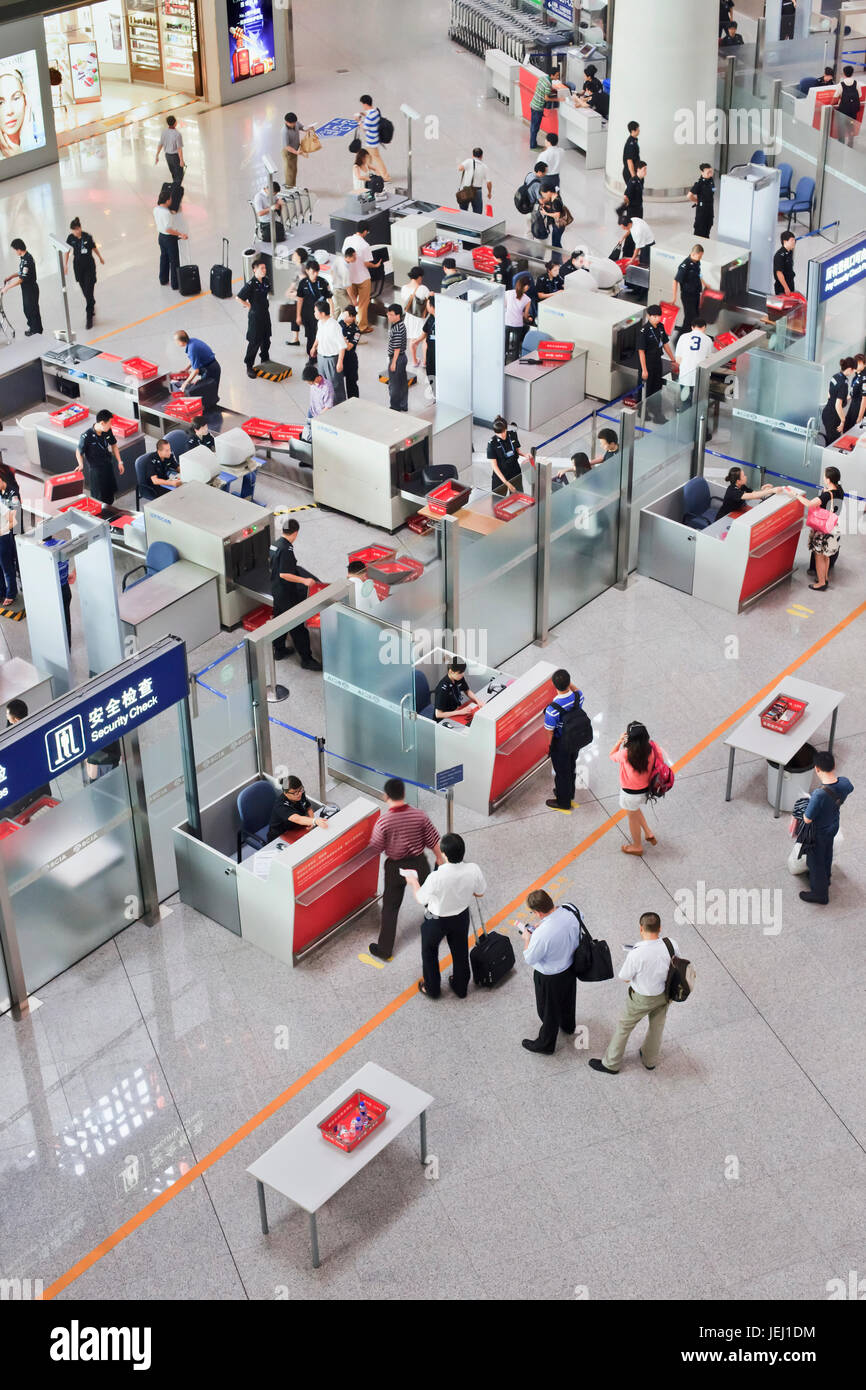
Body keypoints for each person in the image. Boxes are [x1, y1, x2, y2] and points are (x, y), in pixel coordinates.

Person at [368, 777, 444, 961]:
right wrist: (440, 857)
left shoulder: (383, 822)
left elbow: (376, 847)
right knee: (431, 898)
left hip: (395, 867)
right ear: (404, 794)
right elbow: (433, 840)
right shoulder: (419, 815)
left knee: (390, 907)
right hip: (418, 862)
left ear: (386, 796)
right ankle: (442, 928)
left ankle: (385, 949)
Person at [589, 912, 676, 1073]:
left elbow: (624, 977)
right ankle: (650, 1060)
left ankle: (611, 1064)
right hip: (665, 994)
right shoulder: (671, 943)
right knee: (657, 1027)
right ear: (660, 928)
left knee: (624, 1027)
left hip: (641, 998)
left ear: (641, 928)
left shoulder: (636, 953)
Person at [407, 833, 486, 999]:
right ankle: (460, 986)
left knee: (429, 951)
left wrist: (414, 882)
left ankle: (432, 988)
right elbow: (480, 893)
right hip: (461, 916)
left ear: (444, 854)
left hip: (436, 920)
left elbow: (421, 898)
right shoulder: (473, 869)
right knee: (460, 951)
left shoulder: (436, 877)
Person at [519, 890, 581, 1054]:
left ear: (537, 912)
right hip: (570, 967)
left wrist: (527, 939)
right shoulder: (571, 910)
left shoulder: (542, 934)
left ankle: (546, 1044)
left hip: (550, 976)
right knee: (568, 999)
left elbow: (530, 958)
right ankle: (568, 1026)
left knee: (548, 1009)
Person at [798, 750, 853, 904]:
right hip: (833, 825)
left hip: (819, 832)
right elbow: (848, 788)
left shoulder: (818, 795)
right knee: (827, 852)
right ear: (834, 765)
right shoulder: (845, 783)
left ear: (817, 769)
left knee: (815, 861)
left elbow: (807, 819)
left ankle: (819, 894)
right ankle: (825, 878)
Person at [270, 518, 322, 671]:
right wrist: (304, 581)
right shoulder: (286, 549)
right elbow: (284, 574)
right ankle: (306, 659)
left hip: (276, 590)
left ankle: (279, 650)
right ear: (296, 533)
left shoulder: (275, 544)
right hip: (287, 593)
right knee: (298, 627)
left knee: (279, 620)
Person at [610, 722, 670, 854]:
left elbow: (612, 755)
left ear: (629, 737)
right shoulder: (652, 748)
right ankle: (648, 832)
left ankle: (637, 846)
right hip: (646, 790)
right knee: (635, 809)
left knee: (632, 817)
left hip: (629, 793)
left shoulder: (626, 753)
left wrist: (619, 741)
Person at [544, 668, 585, 812]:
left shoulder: (552, 709)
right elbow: (576, 689)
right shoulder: (578, 697)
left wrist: (551, 746)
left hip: (561, 744)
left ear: (555, 686)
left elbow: (549, 731)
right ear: (569, 683)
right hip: (576, 739)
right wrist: (567, 683)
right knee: (571, 766)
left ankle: (563, 802)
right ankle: (569, 793)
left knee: (561, 773)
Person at [805, 465, 844, 592]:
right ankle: (825, 578)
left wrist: (796, 495)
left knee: (819, 555)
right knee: (826, 556)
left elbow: (810, 504)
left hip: (822, 530)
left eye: (824, 475)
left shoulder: (827, 494)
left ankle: (821, 583)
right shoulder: (839, 491)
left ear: (828, 480)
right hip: (833, 528)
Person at [638, 305, 677, 422]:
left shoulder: (660, 327)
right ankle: (642, 411)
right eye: (654, 317)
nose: (657, 319)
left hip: (657, 361)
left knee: (657, 387)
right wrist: (644, 370)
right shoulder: (644, 331)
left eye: (659, 316)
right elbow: (641, 352)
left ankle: (657, 413)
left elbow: (665, 343)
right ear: (649, 316)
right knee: (646, 388)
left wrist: (672, 359)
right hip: (647, 362)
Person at [76, 409, 124, 505]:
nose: (111, 425)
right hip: (96, 471)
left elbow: (114, 445)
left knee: (110, 495)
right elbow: (78, 451)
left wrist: (119, 462)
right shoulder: (86, 436)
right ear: (102, 423)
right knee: (99, 498)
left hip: (108, 466)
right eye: (110, 423)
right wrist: (80, 464)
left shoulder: (107, 431)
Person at [64, 218, 104, 330]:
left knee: (89, 290)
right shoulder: (70, 238)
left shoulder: (87, 237)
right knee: (85, 291)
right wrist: (65, 265)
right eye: (74, 230)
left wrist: (100, 257)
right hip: (78, 267)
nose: (76, 231)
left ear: (80, 228)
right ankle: (91, 302)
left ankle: (89, 317)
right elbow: (67, 251)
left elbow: (94, 247)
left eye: (78, 229)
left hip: (89, 267)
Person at [236, 256, 272, 378]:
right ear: (254, 270)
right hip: (255, 316)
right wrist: (248, 305)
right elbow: (239, 297)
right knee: (254, 341)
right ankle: (249, 365)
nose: (264, 270)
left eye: (265, 268)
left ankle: (265, 359)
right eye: (261, 268)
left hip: (265, 314)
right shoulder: (250, 284)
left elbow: (266, 293)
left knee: (266, 338)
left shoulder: (266, 281)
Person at [267, 776, 328, 843]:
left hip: (297, 827)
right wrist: (314, 821)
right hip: (280, 836)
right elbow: (297, 818)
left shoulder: (300, 793)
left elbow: (308, 807)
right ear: (285, 792)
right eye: (295, 792)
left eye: (301, 789)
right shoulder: (280, 806)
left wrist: (312, 820)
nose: (299, 794)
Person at [310, 300, 347, 405]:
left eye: (315, 311)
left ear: (322, 313)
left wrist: (340, 362)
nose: (314, 313)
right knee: (323, 382)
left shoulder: (334, 326)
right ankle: (326, 403)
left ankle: (339, 405)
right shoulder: (320, 322)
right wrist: (314, 347)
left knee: (335, 384)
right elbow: (318, 336)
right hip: (321, 357)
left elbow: (342, 346)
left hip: (332, 359)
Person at [343, 228, 378, 333]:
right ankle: (362, 326)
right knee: (363, 303)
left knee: (352, 303)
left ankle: (351, 323)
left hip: (351, 277)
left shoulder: (347, 239)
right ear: (365, 231)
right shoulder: (365, 245)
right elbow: (367, 263)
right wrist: (375, 265)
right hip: (363, 277)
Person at [173, 330, 221, 408]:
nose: (176, 343)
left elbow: (196, 370)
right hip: (211, 366)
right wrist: (186, 369)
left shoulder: (192, 349)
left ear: (181, 342)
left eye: (176, 341)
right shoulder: (192, 341)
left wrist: (186, 383)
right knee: (208, 391)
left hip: (211, 370)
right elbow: (194, 359)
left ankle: (210, 409)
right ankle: (209, 406)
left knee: (208, 392)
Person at [153, 187, 187, 292]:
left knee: (164, 258)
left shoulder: (156, 209)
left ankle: (163, 279)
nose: (171, 200)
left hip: (161, 237)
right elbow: (168, 229)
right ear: (167, 200)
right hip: (169, 239)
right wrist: (181, 234)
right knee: (174, 261)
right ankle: (175, 283)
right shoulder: (166, 213)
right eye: (170, 199)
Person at [4, 238, 41, 335]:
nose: (15, 252)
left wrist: (7, 287)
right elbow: (21, 273)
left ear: (19, 249)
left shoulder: (27, 260)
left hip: (30, 289)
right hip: (27, 289)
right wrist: (11, 276)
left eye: (15, 250)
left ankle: (35, 330)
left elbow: (21, 279)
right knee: (30, 309)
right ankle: (36, 328)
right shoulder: (24, 258)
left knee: (30, 310)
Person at [674, 316, 714, 406]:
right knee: (698, 402)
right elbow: (708, 360)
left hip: (685, 374)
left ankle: (686, 418)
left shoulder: (683, 337)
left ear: (692, 327)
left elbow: (678, 359)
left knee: (686, 401)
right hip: (700, 375)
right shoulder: (708, 340)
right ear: (704, 327)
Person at [296, 258, 332, 357]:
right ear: (307, 271)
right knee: (310, 337)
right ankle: (311, 357)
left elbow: (330, 299)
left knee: (322, 335)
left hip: (322, 315)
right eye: (313, 272)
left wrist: (331, 315)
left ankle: (322, 355)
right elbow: (300, 300)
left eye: (317, 271)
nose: (315, 274)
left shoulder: (323, 282)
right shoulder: (303, 283)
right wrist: (298, 315)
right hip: (307, 314)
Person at [487, 417, 532, 495]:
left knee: (517, 497)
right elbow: (494, 466)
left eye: (503, 432)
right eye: (498, 433)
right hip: (500, 475)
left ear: (506, 429)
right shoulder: (492, 444)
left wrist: (524, 455)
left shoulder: (513, 434)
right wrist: (506, 483)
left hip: (515, 470)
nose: (501, 435)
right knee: (497, 501)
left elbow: (517, 450)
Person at [433, 656, 482, 721]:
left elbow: (467, 691)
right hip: (445, 719)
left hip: (457, 710)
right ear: (451, 672)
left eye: (463, 672)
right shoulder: (442, 689)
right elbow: (438, 714)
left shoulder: (458, 678)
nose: (463, 674)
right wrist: (460, 712)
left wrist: (478, 701)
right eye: (460, 673)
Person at [529, 64, 565, 150]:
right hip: (538, 108)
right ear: (552, 75)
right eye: (557, 75)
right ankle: (533, 146)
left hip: (533, 104)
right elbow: (547, 98)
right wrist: (558, 99)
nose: (558, 76)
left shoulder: (542, 78)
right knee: (535, 128)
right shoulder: (548, 84)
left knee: (533, 126)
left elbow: (539, 87)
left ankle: (533, 144)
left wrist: (550, 89)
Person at [400, 266, 429, 367]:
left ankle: (415, 361)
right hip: (421, 318)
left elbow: (405, 301)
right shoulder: (423, 288)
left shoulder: (404, 288)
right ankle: (425, 362)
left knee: (412, 339)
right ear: (419, 277)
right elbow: (429, 302)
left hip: (410, 318)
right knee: (425, 340)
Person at [0, 464, 20, 609]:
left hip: (10, 532)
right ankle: (2, 591)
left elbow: (15, 519)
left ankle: (11, 593)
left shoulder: (12, 493)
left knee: (9, 565)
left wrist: (2, 531)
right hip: (5, 530)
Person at [821, 358, 856, 442]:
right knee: (833, 443)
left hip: (826, 413)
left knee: (830, 439)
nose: (853, 372)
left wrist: (848, 397)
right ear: (849, 369)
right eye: (853, 370)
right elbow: (838, 405)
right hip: (833, 417)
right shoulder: (843, 384)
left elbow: (830, 395)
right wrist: (843, 421)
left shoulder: (835, 376)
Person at [672, 245, 704, 334]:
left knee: (696, 316)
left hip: (696, 294)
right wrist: (674, 298)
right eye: (700, 256)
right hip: (688, 295)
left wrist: (705, 283)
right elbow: (675, 281)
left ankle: (692, 335)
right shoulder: (684, 266)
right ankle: (679, 339)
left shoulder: (697, 262)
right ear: (693, 254)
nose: (701, 258)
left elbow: (699, 274)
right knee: (690, 318)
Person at [356, 95, 388, 180]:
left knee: (376, 159)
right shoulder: (375, 111)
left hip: (371, 141)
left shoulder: (369, 116)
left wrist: (358, 121)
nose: (363, 106)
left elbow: (364, 128)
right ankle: (373, 173)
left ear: (365, 104)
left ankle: (385, 176)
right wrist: (365, 114)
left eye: (363, 104)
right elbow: (370, 117)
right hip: (375, 139)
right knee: (370, 158)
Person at [385, 303, 409, 411]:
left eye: (391, 314)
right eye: (388, 314)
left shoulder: (398, 328)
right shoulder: (399, 325)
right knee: (402, 383)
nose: (388, 316)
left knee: (394, 385)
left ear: (398, 315)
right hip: (401, 358)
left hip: (397, 358)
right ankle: (403, 405)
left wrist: (393, 362)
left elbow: (397, 348)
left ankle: (395, 407)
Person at [504, 274, 533, 361]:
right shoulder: (527, 300)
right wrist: (528, 318)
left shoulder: (508, 293)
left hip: (507, 322)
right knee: (516, 348)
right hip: (517, 325)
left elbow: (505, 306)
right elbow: (525, 316)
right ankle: (514, 365)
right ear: (526, 287)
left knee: (505, 345)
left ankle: (504, 361)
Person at [302, 360, 334, 433]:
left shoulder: (327, 388)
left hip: (320, 416)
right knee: (308, 432)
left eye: (309, 382)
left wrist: (317, 418)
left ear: (316, 378)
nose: (308, 384)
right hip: (312, 411)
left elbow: (328, 407)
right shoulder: (313, 383)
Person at [457, 147, 491, 213]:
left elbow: (460, 168)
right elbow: (489, 182)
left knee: (463, 212)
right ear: (481, 156)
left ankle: (463, 222)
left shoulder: (468, 161)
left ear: (472, 155)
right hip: (477, 192)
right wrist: (489, 193)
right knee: (477, 214)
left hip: (467, 190)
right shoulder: (485, 167)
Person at [537, 185, 568, 255]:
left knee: (555, 243)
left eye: (544, 194)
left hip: (559, 225)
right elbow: (555, 208)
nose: (544, 196)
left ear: (549, 192)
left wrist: (546, 213)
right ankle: (558, 256)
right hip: (558, 224)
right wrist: (546, 206)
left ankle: (558, 257)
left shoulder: (556, 201)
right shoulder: (554, 197)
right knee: (556, 242)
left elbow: (557, 214)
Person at [338, 303, 361, 399]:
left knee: (351, 382)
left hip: (350, 359)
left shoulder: (356, 331)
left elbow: (349, 347)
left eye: (346, 315)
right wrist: (344, 340)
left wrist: (342, 340)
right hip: (339, 357)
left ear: (352, 317)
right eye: (344, 314)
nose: (344, 317)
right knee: (338, 381)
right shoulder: (340, 323)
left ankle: (354, 400)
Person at [835, 65, 862, 143]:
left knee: (841, 127)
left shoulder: (841, 85)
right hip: (853, 111)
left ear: (844, 73)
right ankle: (850, 142)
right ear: (852, 73)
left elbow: (835, 97)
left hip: (843, 110)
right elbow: (859, 96)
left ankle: (841, 142)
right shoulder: (857, 83)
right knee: (851, 126)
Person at [155, 114, 184, 182]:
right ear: (175, 123)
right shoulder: (177, 134)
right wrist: (181, 160)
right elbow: (179, 148)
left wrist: (157, 155)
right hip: (175, 157)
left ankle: (175, 190)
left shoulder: (164, 132)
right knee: (179, 176)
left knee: (174, 175)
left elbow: (160, 144)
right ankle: (175, 191)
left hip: (168, 156)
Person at [689, 163, 715, 238]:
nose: (710, 174)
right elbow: (689, 195)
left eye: (711, 172)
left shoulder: (711, 180)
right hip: (702, 211)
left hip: (709, 210)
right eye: (708, 172)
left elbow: (713, 190)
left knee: (708, 228)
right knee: (699, 231)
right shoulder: (699, 184)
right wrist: (697, 201)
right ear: (702, 172)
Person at [281, 112, 307, 189]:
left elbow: (302, 127)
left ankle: (293, 187)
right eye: (291, 123)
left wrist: (308, 129)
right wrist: (296, 152)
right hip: (288, 153)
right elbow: (286, 146)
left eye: (294, 123)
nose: (294, 125)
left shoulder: (296, 123)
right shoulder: (284, 131)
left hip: (295, 151)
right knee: (289, 172)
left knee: (294, 170)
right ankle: (289, 189)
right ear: (286, 122)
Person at [419, 293, 436, 400]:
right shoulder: (430, 319)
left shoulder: (444, 320)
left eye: (428, 304)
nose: (426, 306)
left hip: (438, 353)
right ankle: (435, 394)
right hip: (430, 352)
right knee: (430, 373)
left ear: (432, 306)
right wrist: (416, 341)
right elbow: (424, 333)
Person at [844, 352, 866, 431]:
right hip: (853, 406)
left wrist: (860, 417)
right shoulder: (856, 376)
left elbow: (864, 400)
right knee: (846, 427)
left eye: (859, 363)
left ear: (864, 364)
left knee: (854, 431)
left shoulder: (864, 378)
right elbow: (852, 393)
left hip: (859, 408)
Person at [773, 231, 796, 295]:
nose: (794, 242)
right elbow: (779, 273)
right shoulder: (779, 256)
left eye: (794, 240)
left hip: (790, 283)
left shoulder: (790, 252)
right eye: (792, 240)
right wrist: (786, 288)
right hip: (782, 287)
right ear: (785, 241)